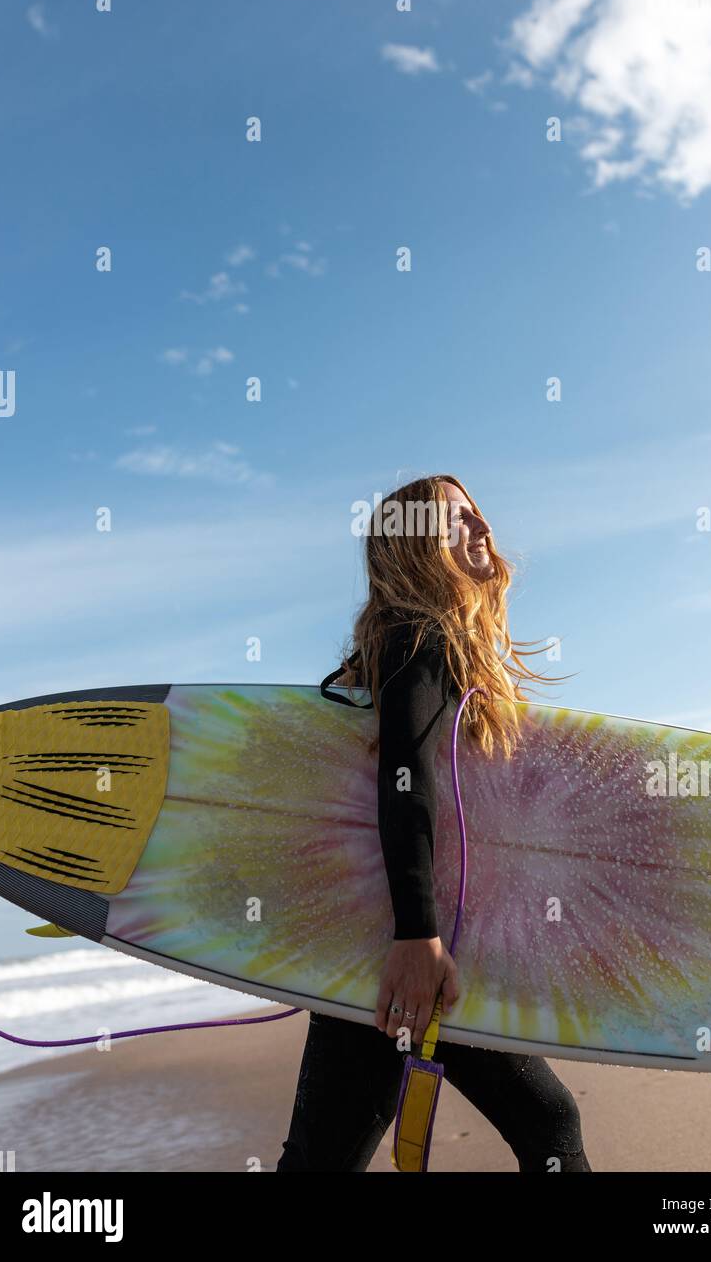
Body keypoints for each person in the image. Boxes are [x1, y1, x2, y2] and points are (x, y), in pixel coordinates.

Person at [276, 474, 591, 1172]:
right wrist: (418, 934)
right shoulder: (421, 638)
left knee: (322, 1160)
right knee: (550, 1126)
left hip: (378, 944)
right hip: (413, 946)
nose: (482, 529)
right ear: (417, 544)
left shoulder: (413, 644)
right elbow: (405, 779)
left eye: (479, 516)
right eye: (458, 520)